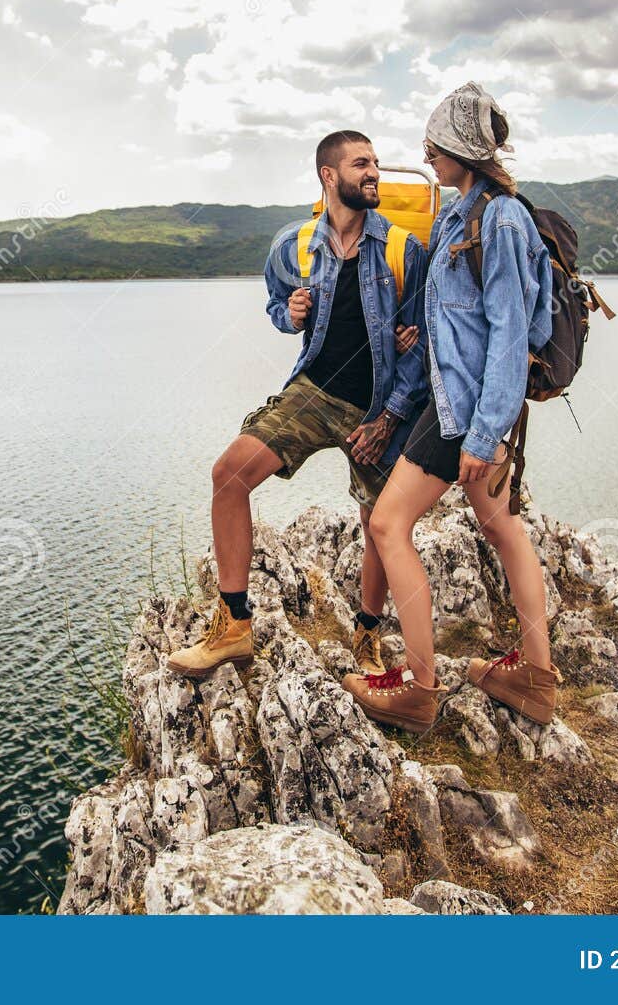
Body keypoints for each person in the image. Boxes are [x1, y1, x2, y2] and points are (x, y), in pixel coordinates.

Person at [167, 130, 428, 680]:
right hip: (312, 390)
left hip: (377, 405)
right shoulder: (295, 244)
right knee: (228, 473)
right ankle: (235, 626)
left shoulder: (406, 250)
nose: (374, 172)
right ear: (329, 176)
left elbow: (423, 346)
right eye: (361, 164)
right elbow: (276, 308)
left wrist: (389, 418)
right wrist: (293, 313)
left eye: (376, 163)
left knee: (378, 521)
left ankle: (366, 634)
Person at [341, 83, 560, 732]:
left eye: (436, 144)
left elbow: (513, 334)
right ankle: (536, 678)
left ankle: (418, 686)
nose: (427, 153)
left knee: (386, 524)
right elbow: (457, 319)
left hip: (466, 414)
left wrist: (484, 433)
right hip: (459, 400)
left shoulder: (503, 220)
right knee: (501, 527)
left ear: (464, 148)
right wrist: (418, 334)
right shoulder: (455, 215)